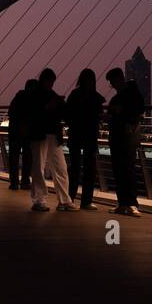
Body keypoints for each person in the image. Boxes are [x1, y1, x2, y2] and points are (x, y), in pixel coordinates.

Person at [28, 68, 75, 212]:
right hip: (42, 133)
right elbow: (31, 113)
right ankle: (41, 200)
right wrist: (49, 107)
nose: (51, 84)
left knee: (57, 167)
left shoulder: (45, 94)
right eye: (50, 82)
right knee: (40, 167)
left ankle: (63, 201)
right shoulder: (36, 95)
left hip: (50, 134)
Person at [105, 67, 145, 216]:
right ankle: (124, 203)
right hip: (121, 137)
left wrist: (119, 112)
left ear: (118, 79)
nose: (112, 86)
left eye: (112, 82)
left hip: (124, 136)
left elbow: (137, 111)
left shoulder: (126, 96)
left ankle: (130, 203)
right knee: (121, 170)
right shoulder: (129, 95)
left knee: (126, 169)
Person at [64, 69, 104, 210]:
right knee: (88, 169)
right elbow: (99, 117)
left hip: (76, 134)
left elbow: (67, 115)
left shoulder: (74, 95)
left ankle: (70, 198)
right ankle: (86, 201)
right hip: (90, 136)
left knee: (75, 168)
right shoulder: (96, 98)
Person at [6, 80, 36, 190]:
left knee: (14, 157)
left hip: (14, 131)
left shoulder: (18, 97)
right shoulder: (33, 100)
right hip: (27, 132)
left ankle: (14, 182)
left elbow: (11, 112)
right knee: (27, 157)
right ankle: (25, 181)